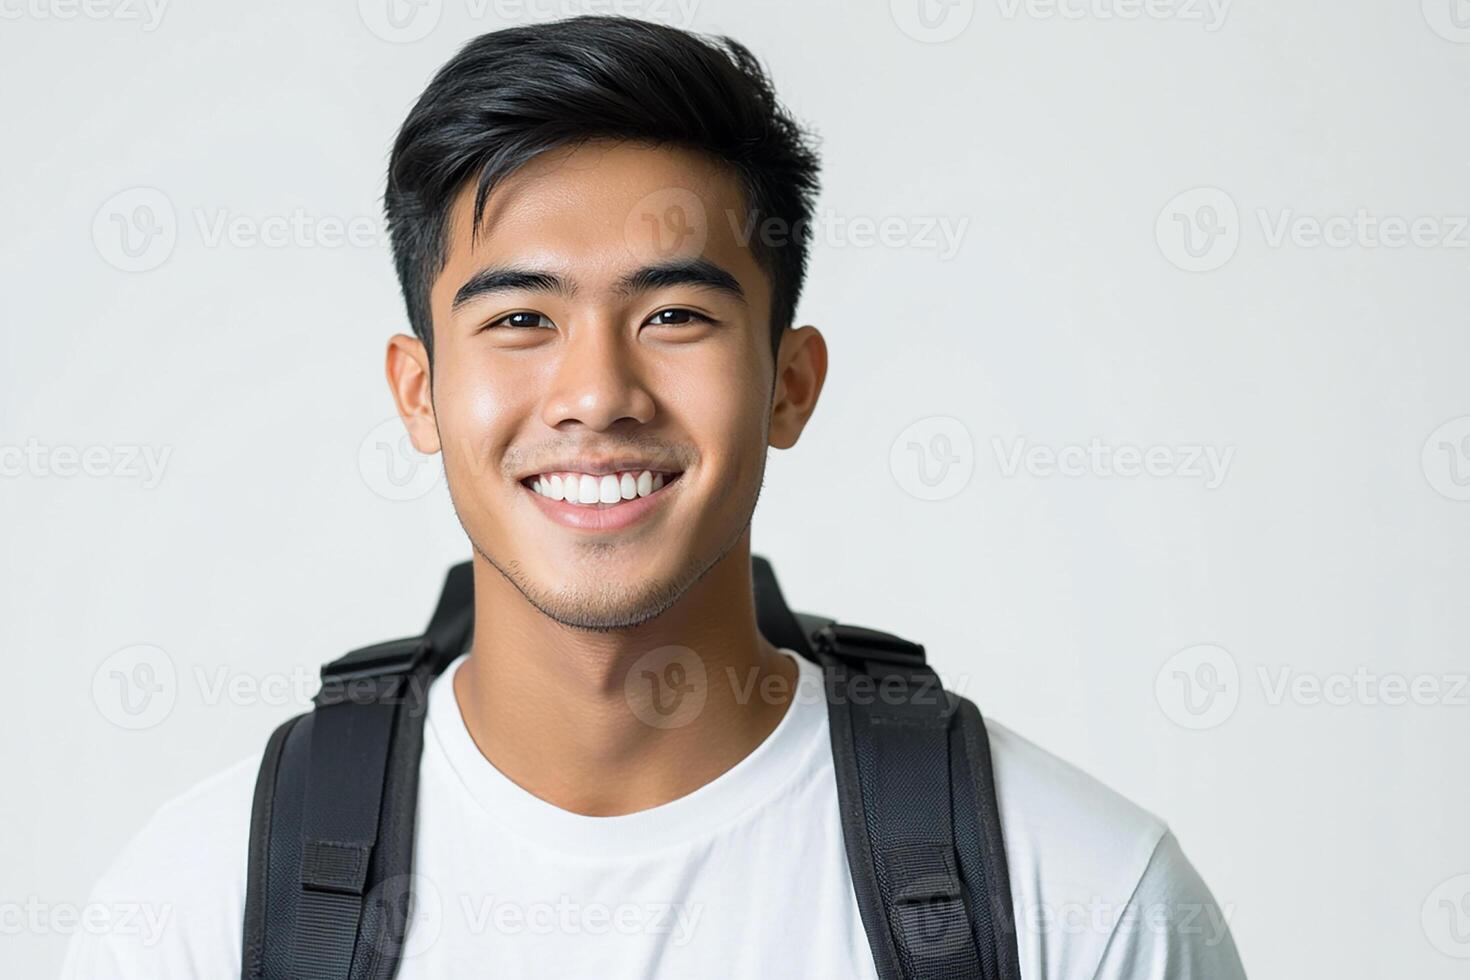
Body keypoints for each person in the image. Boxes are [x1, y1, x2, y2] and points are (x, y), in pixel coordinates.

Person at [63, 15, 1247, 979]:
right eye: (521, 318)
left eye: (673, 315)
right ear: (419, 392)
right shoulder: (196, 910)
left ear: (790, 383)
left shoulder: (1080, 896)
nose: (596, 392)